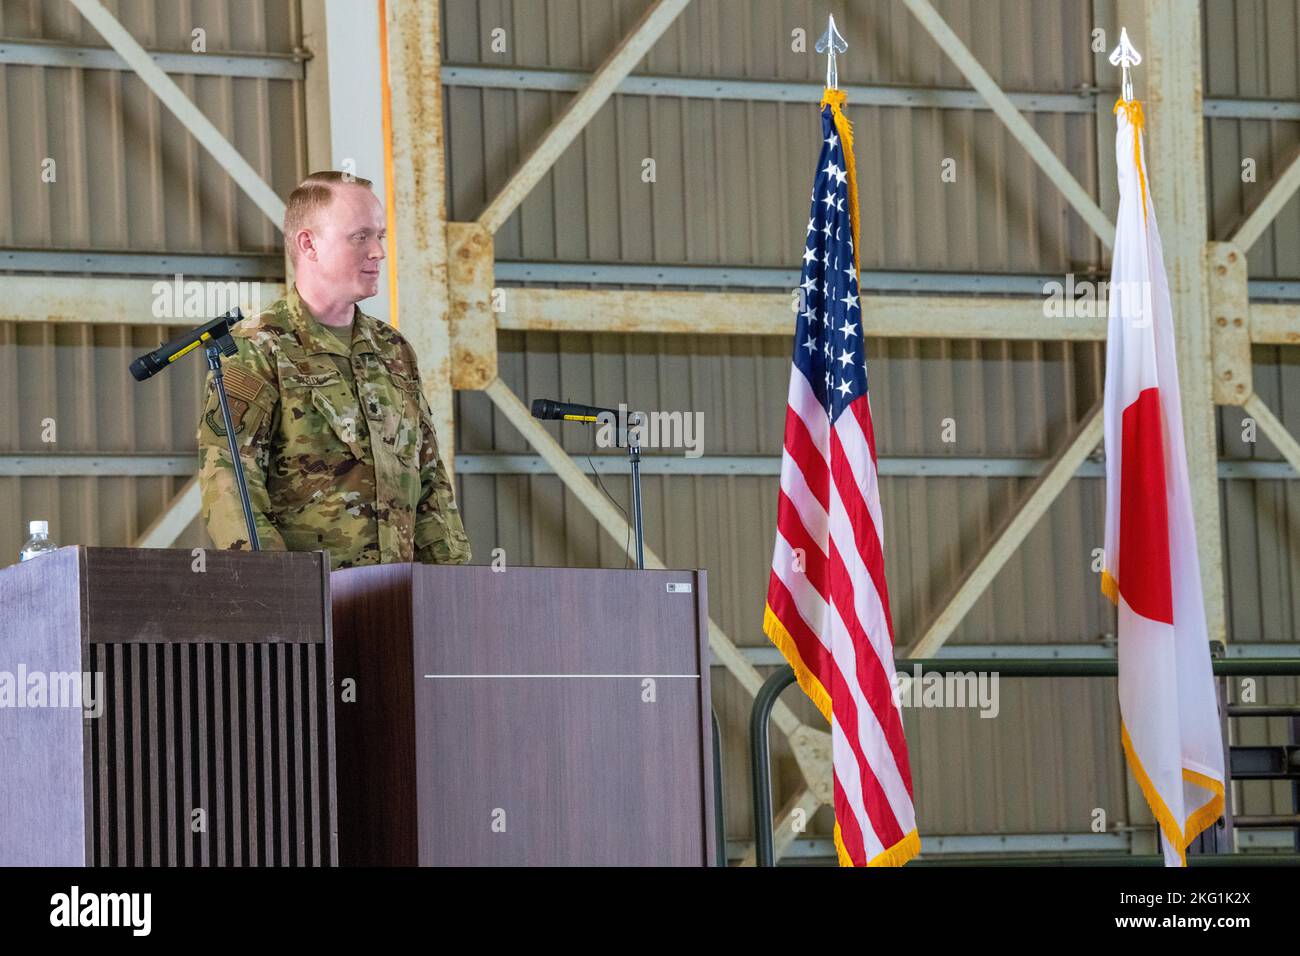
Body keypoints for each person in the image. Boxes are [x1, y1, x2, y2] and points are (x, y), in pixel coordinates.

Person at [196, 170, 470, 569]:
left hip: (400, 600)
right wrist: (284, 594)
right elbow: (230, 485)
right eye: (360, 237)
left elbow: (430, 480)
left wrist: (454, 586)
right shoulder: (256, 348)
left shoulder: (393, 349)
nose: (378, 252)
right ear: (309, 244)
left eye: (380, 236)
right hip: (315, 606)